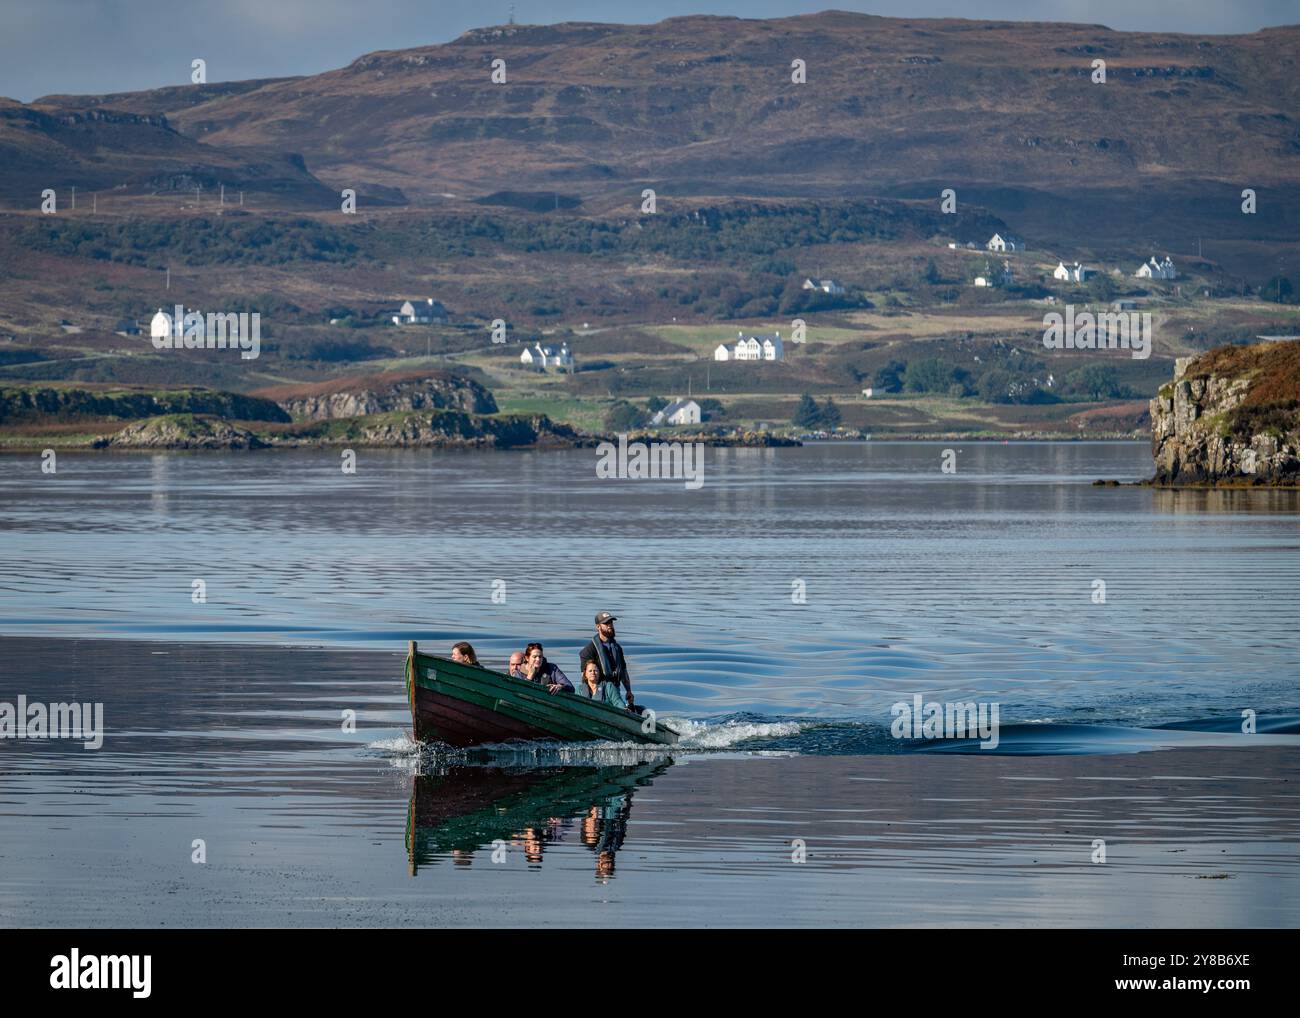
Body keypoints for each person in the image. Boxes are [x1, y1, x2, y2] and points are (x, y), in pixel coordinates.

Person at [579, 611, 638, 712]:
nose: (610, 625)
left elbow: (623, 671)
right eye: (606, 623)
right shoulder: (588, 651)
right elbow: (584, 676)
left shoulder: (617, 648)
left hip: (615, 691)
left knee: (623, 710)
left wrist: (629, 691)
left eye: (611, 622)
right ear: (598, 627)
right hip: (600, 694)